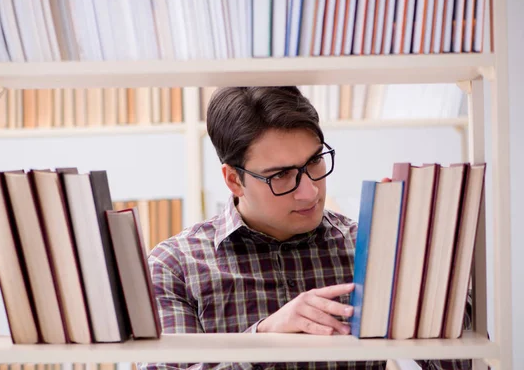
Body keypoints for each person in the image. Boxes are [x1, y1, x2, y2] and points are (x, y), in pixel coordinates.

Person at [137, 87, 472, 370]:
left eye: (314, 161)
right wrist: (263, 340)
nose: (310, 191)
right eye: (281, 175)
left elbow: (468, 362)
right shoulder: (173, 266)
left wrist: (434, 281)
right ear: (233, 180)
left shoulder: (370, 247)